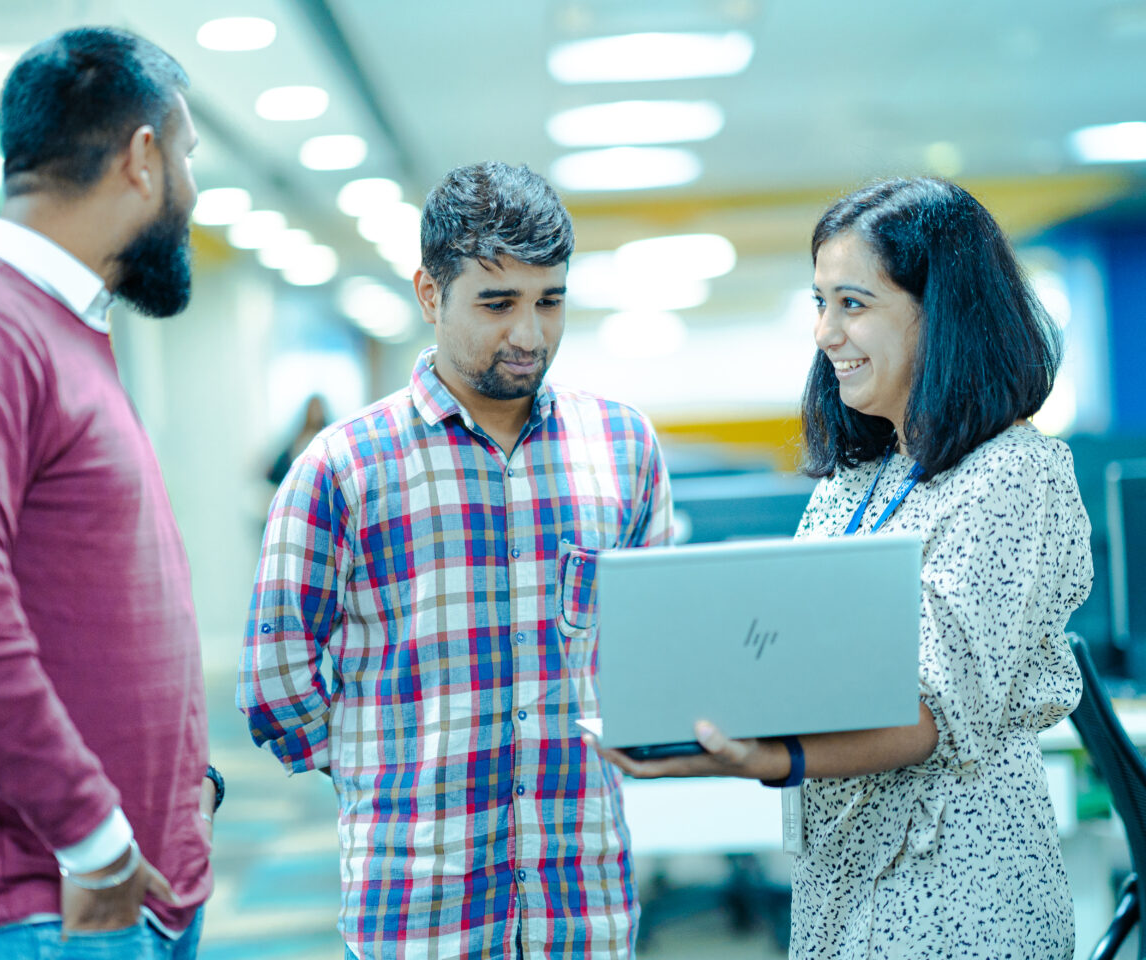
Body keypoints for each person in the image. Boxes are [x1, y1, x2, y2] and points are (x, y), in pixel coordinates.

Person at [592, 177, 1092, 959]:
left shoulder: (1014, 476)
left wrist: (772, 758)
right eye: (819, 303)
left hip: (957, 897)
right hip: (842, 889)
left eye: (853, 303)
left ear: (944, 315)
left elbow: (931, 712)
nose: (826, 332)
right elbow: (802, 666)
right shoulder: (860, 483)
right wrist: (697, 719)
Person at [238, 161, 673, 960]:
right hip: (418, 907)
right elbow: (275, 679)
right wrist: (379, 773)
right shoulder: (343, 467)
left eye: (551, 301)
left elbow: (653, 649)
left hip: (582, 898)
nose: (530, 335)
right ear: (431, 295)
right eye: (498, 303)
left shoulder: (623, 447)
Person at [0, 27, 221, 959]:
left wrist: (185, 790)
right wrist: (97, 842)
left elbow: (86, 601)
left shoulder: (56, 326)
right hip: (45, 908)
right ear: (144, 159)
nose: (193, 191)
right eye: (189, 158)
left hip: (119, 895)